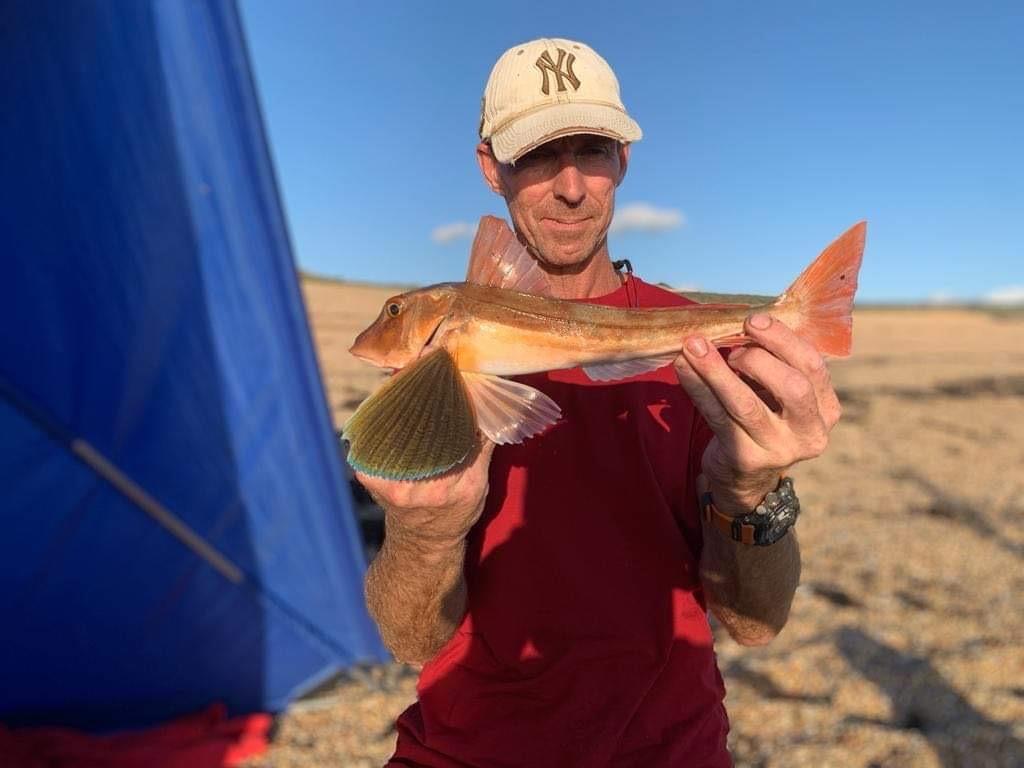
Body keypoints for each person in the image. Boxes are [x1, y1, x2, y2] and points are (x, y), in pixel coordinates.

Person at [356, 38, 840, 767]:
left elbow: (755, 624)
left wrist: (752, 491)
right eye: (539, 155)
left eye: (595, 150)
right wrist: (423, 533)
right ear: (492, 168)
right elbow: (409, 643)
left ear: (625, 162)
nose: (573, 186)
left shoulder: (701, 366)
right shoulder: (434, 375)